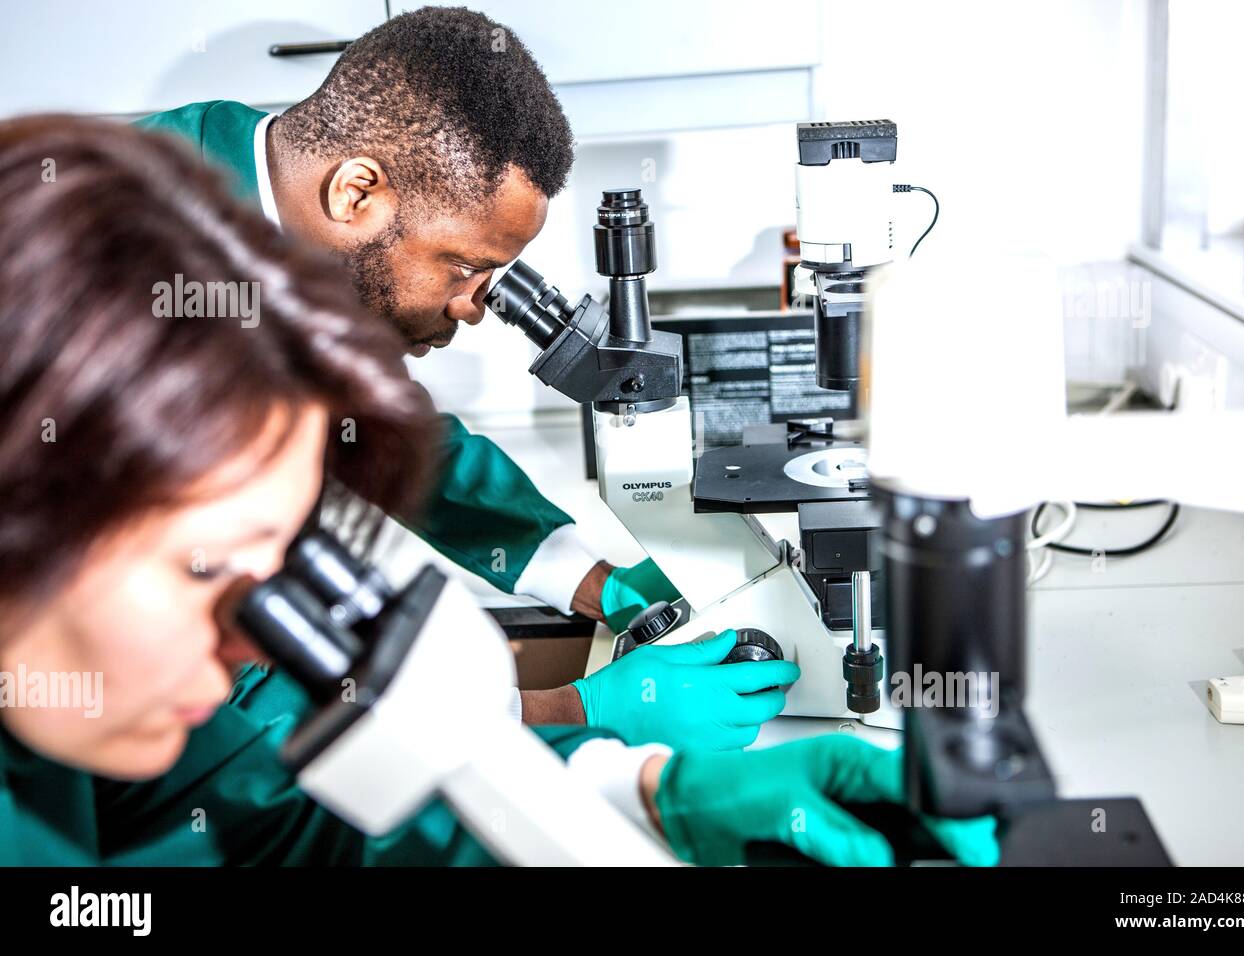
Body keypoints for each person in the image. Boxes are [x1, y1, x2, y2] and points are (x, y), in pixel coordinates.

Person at [0, 115, 998, 867]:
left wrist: (646, 788)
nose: (260, 643)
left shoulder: (105, 685)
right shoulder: (110, 269)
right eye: (212, 563)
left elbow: (267, 815)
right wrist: (563, 702)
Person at [136, 5, 790, 750]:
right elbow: (238, 712)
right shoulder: (143, 302)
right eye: (465, 266)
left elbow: (384, 430)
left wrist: (597, 580)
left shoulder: (264, 177)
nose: (474, 307)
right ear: (356, 194)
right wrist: (569, 712)